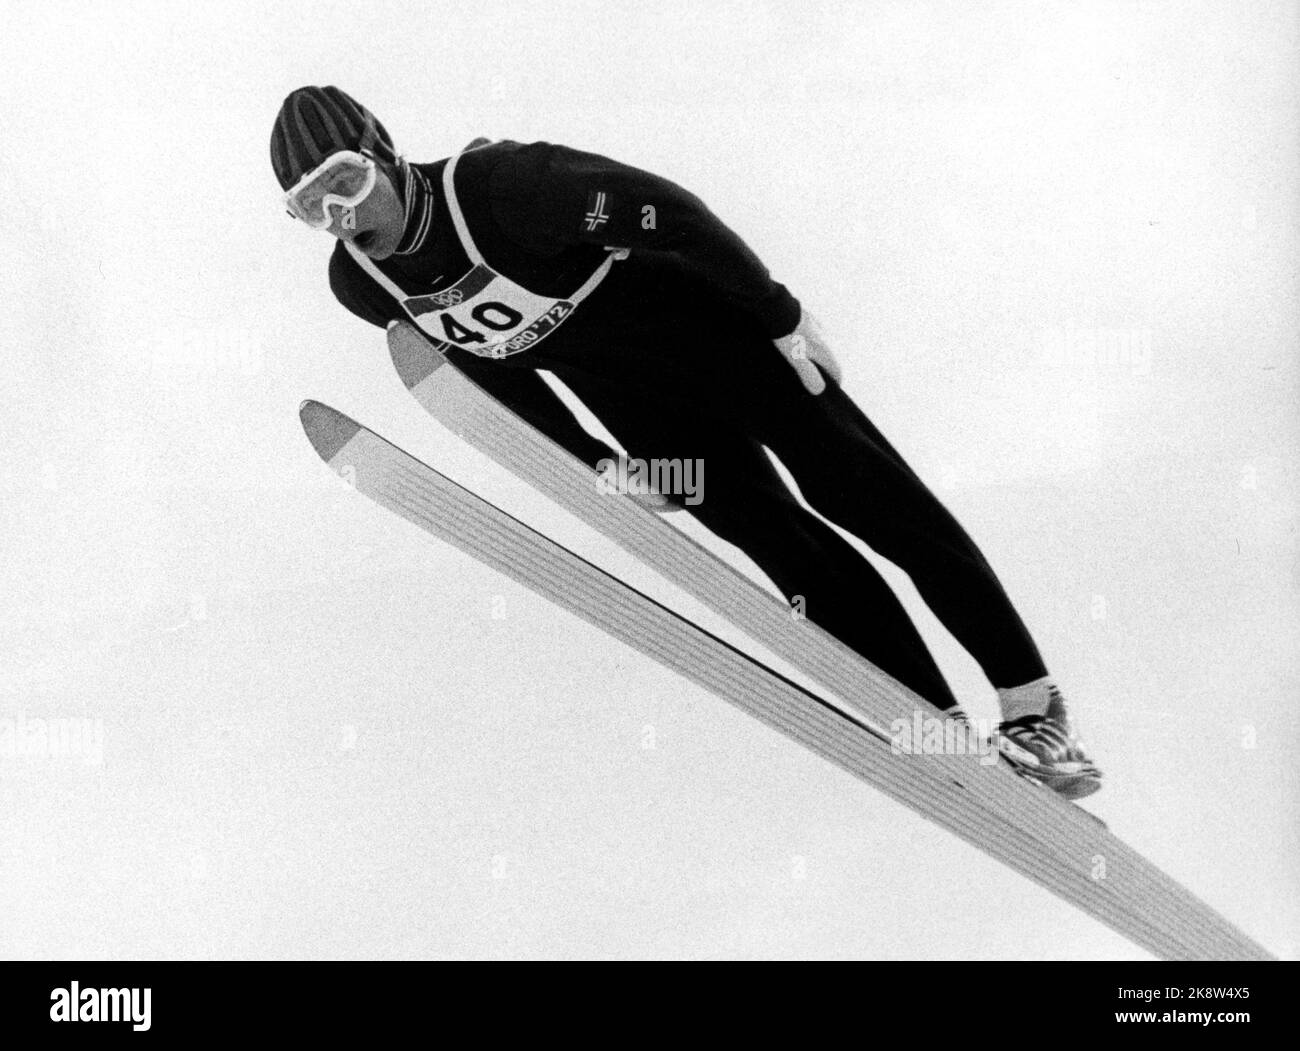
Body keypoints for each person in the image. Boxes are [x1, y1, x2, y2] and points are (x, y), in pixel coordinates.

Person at [271, 85, 1101, 798]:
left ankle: (1036, 712)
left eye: (344, 183)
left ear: (383, 151)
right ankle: (936, 725)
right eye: (311, 207)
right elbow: (488, 376)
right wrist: (595, 462)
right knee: (781, 545)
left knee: (868, 500)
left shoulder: (504, 187)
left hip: (723, 345)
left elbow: (673, 213)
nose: (339, 217)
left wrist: (778, 316)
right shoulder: (362, 283)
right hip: (643, 413)